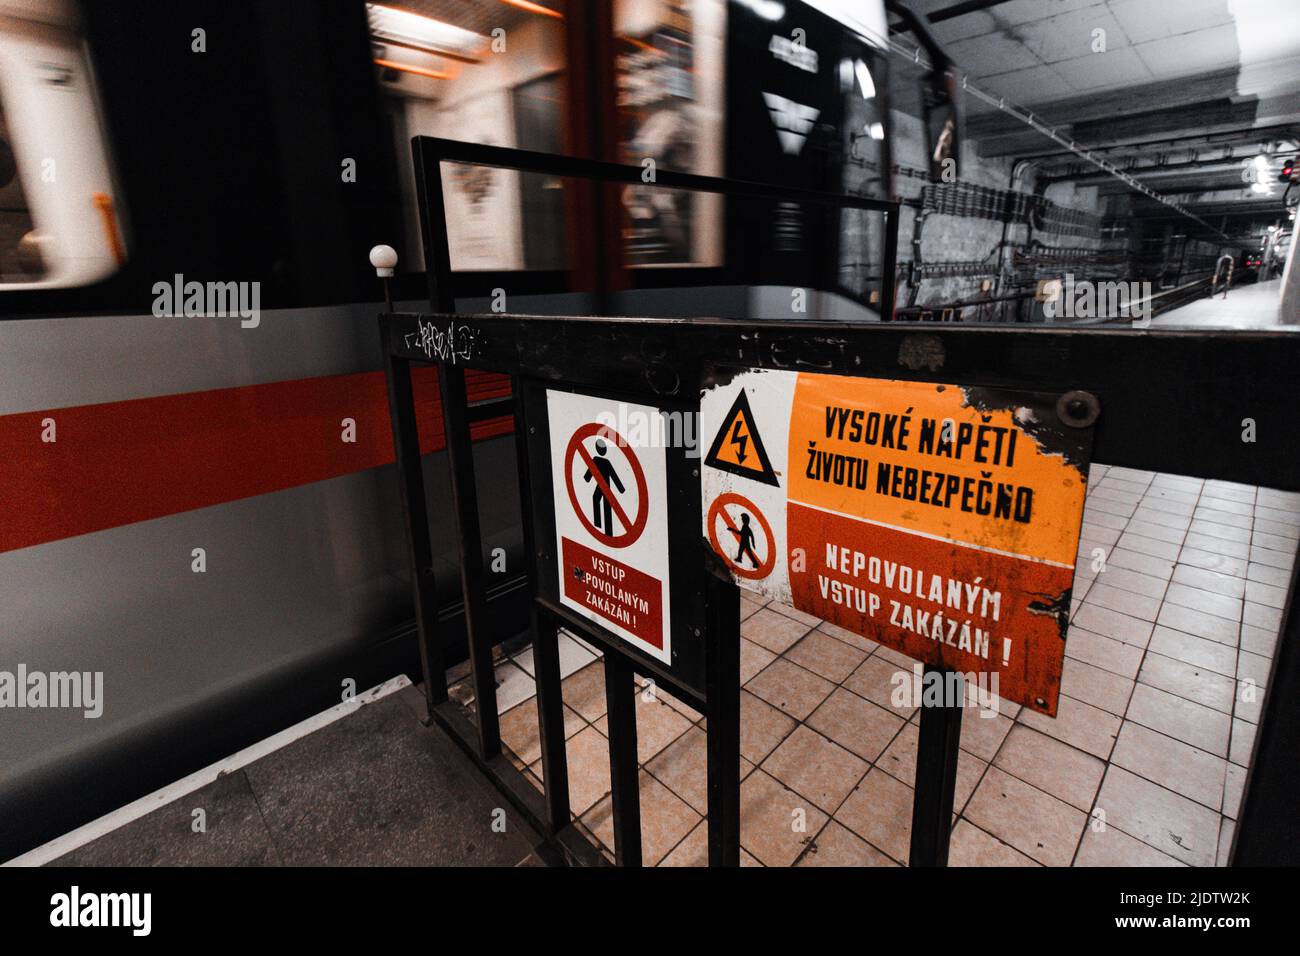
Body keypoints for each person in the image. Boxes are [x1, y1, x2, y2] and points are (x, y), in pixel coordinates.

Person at [584, 438, 625, 534]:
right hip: (605, 487)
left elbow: (588, 476)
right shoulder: (603, 462)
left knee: (596, 499)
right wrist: (621, 489)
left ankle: (600, 526)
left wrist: (587, 478)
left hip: (603, 487)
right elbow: (614, 476)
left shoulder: (597, 460)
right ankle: (603, 528)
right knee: (603, 503)